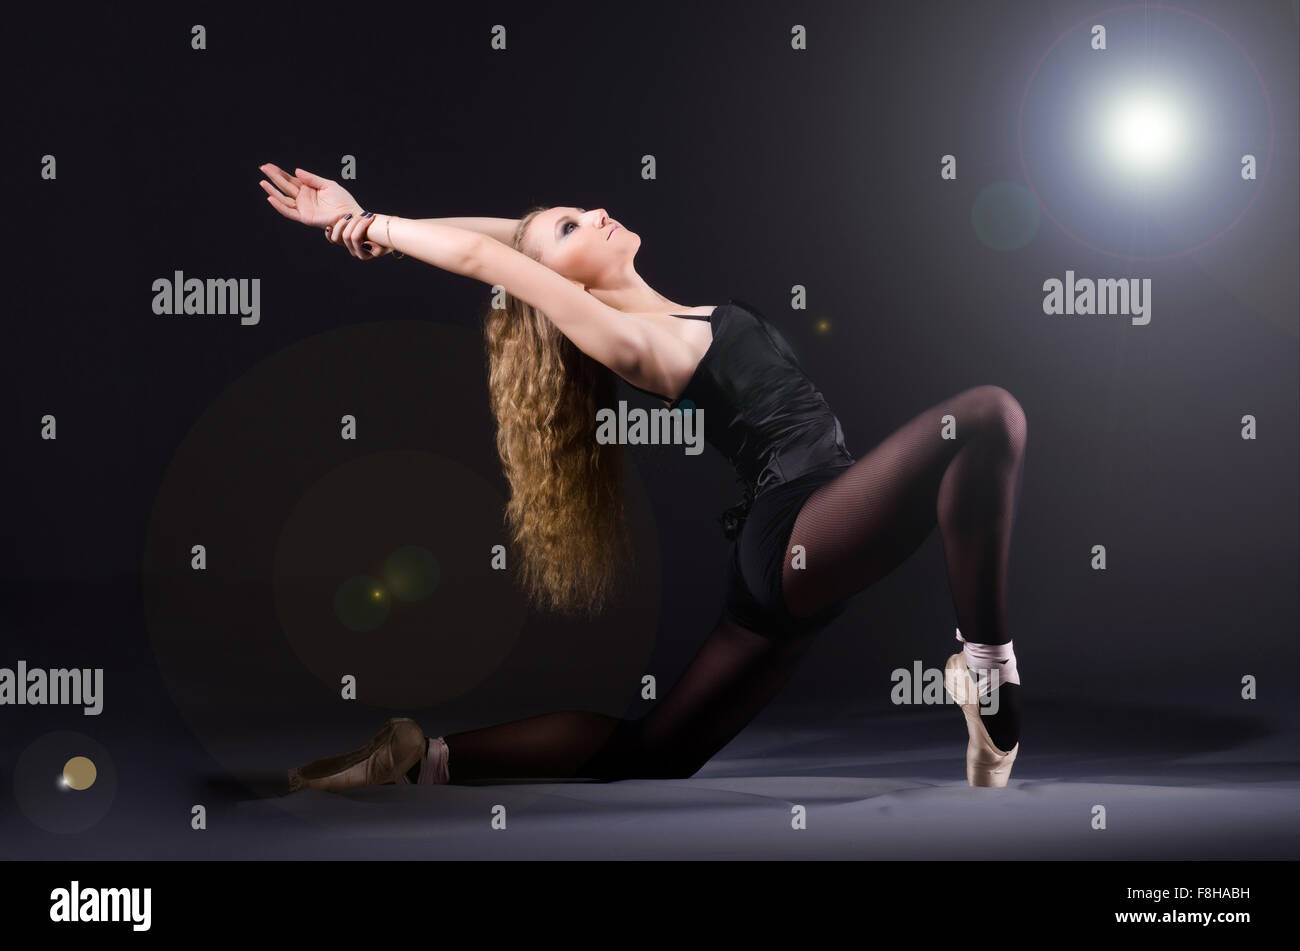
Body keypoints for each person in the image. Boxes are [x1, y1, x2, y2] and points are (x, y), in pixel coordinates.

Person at [259, 163, 1027, 791]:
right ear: (561, 284)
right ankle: (988, 669)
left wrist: (376, 219)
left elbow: (508, 242)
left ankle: (421, 758)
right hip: (797, 534)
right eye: (570, 227)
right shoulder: (633, 342)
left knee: (656, 751)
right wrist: (367, 228)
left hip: (796, 547)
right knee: (987, 417)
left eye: (579, 209)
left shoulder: (679, 312)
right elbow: (496, 260)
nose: (594, 210)